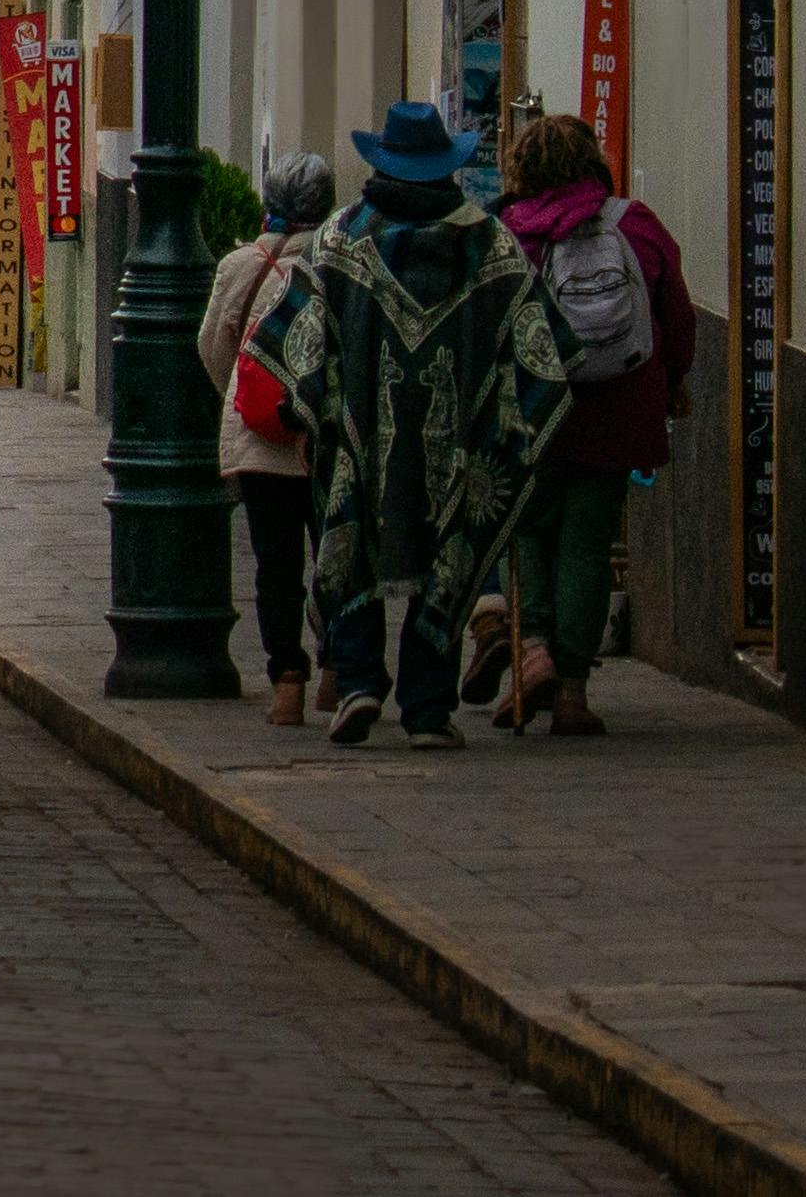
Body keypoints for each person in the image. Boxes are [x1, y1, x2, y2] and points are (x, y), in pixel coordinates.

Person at [247, 99, 569, 751]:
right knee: (450, 558)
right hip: (458, 441)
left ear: (381, 164)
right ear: (443, 166)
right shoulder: (489, 244)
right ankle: (426, 710)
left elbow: (298, 336)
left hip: (361, 435)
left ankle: (359, 682)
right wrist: (514, 426)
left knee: (349, 541)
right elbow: (538, 348)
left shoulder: (340, 239)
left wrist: (305, 412)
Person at [490, 114, 695, 738]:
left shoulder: (508, 235)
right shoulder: (635, 224)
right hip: (616, 409)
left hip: (534, 413)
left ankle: (533, 651)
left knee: (527, 532)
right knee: (586, 544)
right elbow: (676, 313)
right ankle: (573, 694)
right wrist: (673, 381)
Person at [201, 152, 335, 725]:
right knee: (338, 556)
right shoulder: (341, 262)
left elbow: (213, 345)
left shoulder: (241, 265)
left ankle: (287, 682)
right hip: (329, 438)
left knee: (276, 566)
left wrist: (246, 397)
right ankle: (337, 670)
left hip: (261, 444)